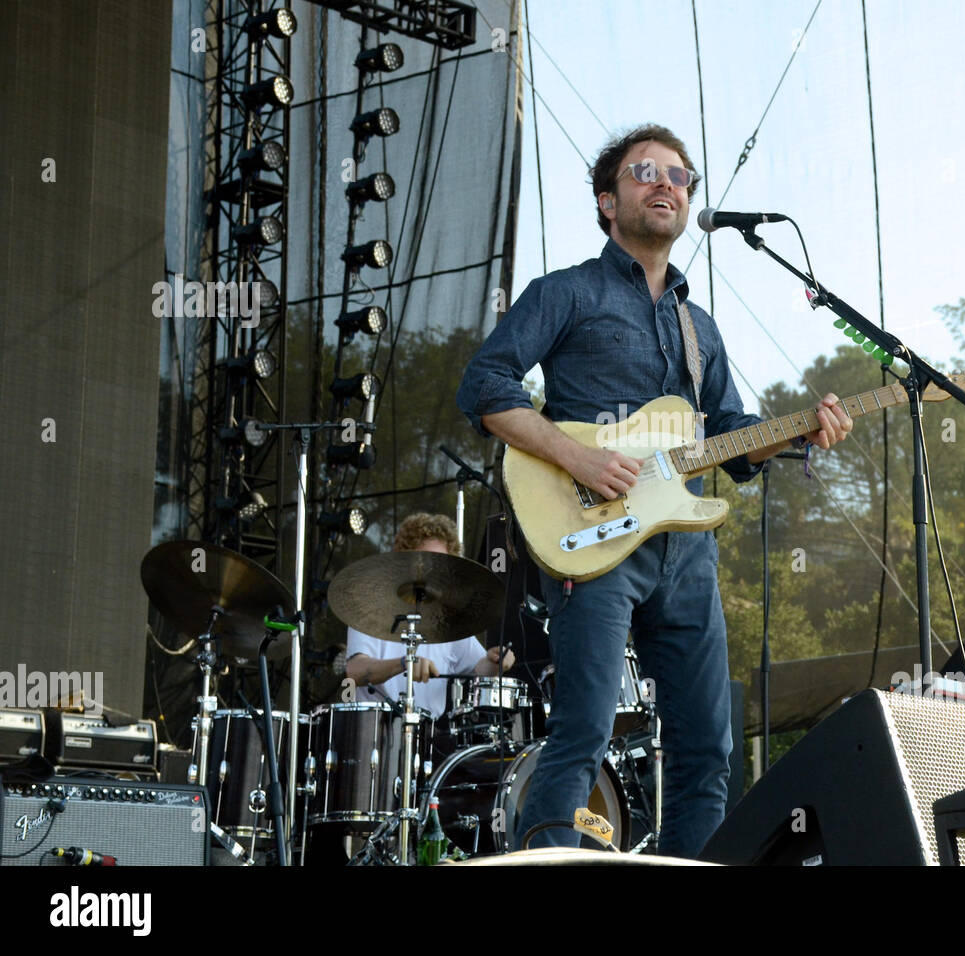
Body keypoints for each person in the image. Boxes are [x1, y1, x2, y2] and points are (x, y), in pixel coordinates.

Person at [456, 123, 852, 858]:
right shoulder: (565, 292)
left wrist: (800, 432)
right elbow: (484, 387)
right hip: (594, 534)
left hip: (686, 551)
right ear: (609, 202)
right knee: (583, 731)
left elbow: (732, 439)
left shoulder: (699, 326)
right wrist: (576, 457)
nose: (666, 183)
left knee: (707, 747)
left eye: (679, 174)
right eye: (645, 171)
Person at [345, 511, 515, 716]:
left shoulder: (448, 618)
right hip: (373, 733)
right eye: (426, 561)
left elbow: (478, 671)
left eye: (442, 564)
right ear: (404, 561)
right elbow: (354, 670)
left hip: (428, 738)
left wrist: (495, 662)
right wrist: (404, 663)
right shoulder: (370, 607)